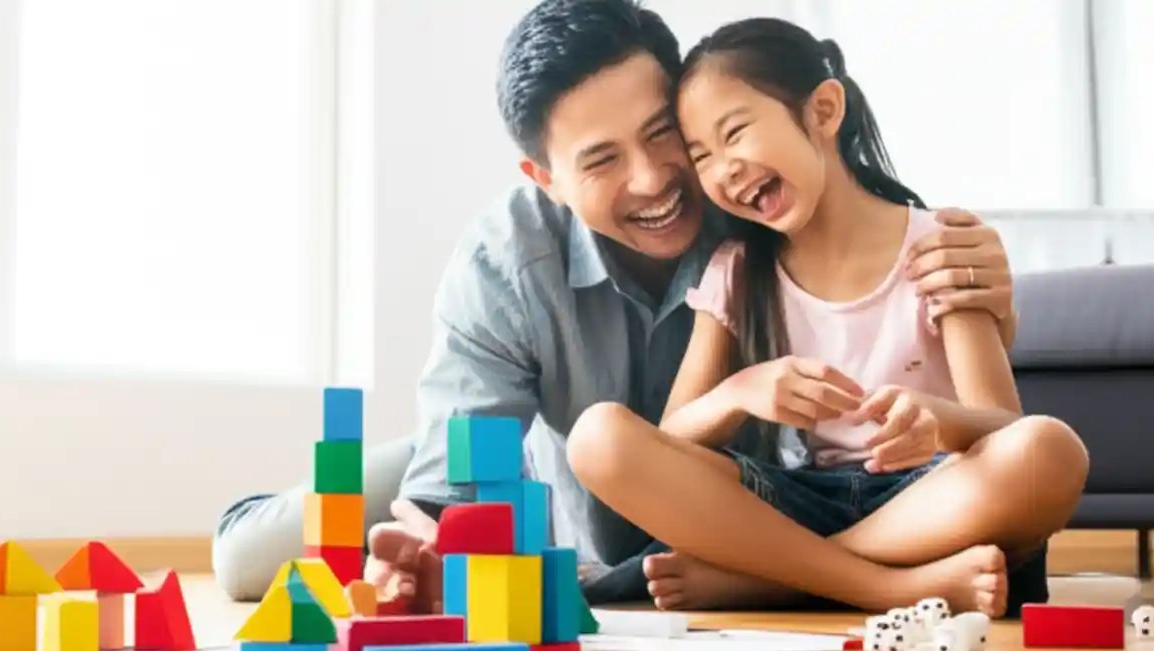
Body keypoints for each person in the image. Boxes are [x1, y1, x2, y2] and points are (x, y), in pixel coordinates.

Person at [211, 0, 1024, 611]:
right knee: (255, 561)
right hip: (544, 464)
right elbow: (463, 497)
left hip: (738, 498)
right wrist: (432, 544)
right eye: (602, 160)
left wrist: (986, 291)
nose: (655, 179)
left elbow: (870, 248)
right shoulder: (505, 263)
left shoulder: (752, 196)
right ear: (547, 181)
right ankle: (380, 469)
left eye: (667, 132)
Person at [564, 17, 1089, 617]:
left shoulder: (939, 247)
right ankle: (882, 586)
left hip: (929, 497)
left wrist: (936, 423)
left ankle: (780, 580)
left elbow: (1004, 427)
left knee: (1049, 449)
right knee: (599, 437)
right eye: (702, 156)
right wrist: (742, 391)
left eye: (735, 133)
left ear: (824, 109)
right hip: (799, 497)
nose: (723, 169)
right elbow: (672, 437)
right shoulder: (735, 270)